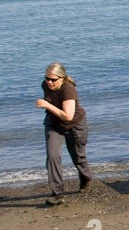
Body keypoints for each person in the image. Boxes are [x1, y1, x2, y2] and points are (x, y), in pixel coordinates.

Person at [35, 62, 92, 205]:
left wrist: (47, 105)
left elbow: (68, 116)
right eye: (47, 78)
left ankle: (86, 178)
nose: (49, 82)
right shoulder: (45, 85)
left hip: (74, 125)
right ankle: (57, 193)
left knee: (78, 158)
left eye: (53, 80)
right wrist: (49, 107)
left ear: (62, 78)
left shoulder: (69, 89)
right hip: (54, 124)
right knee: (52, 155)